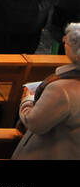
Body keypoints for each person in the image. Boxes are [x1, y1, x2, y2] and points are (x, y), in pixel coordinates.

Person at [12, 22, 80, 160]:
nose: (64, 40)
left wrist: (28, 99)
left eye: (70, 40)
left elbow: (34, 123)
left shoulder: (62, 90)